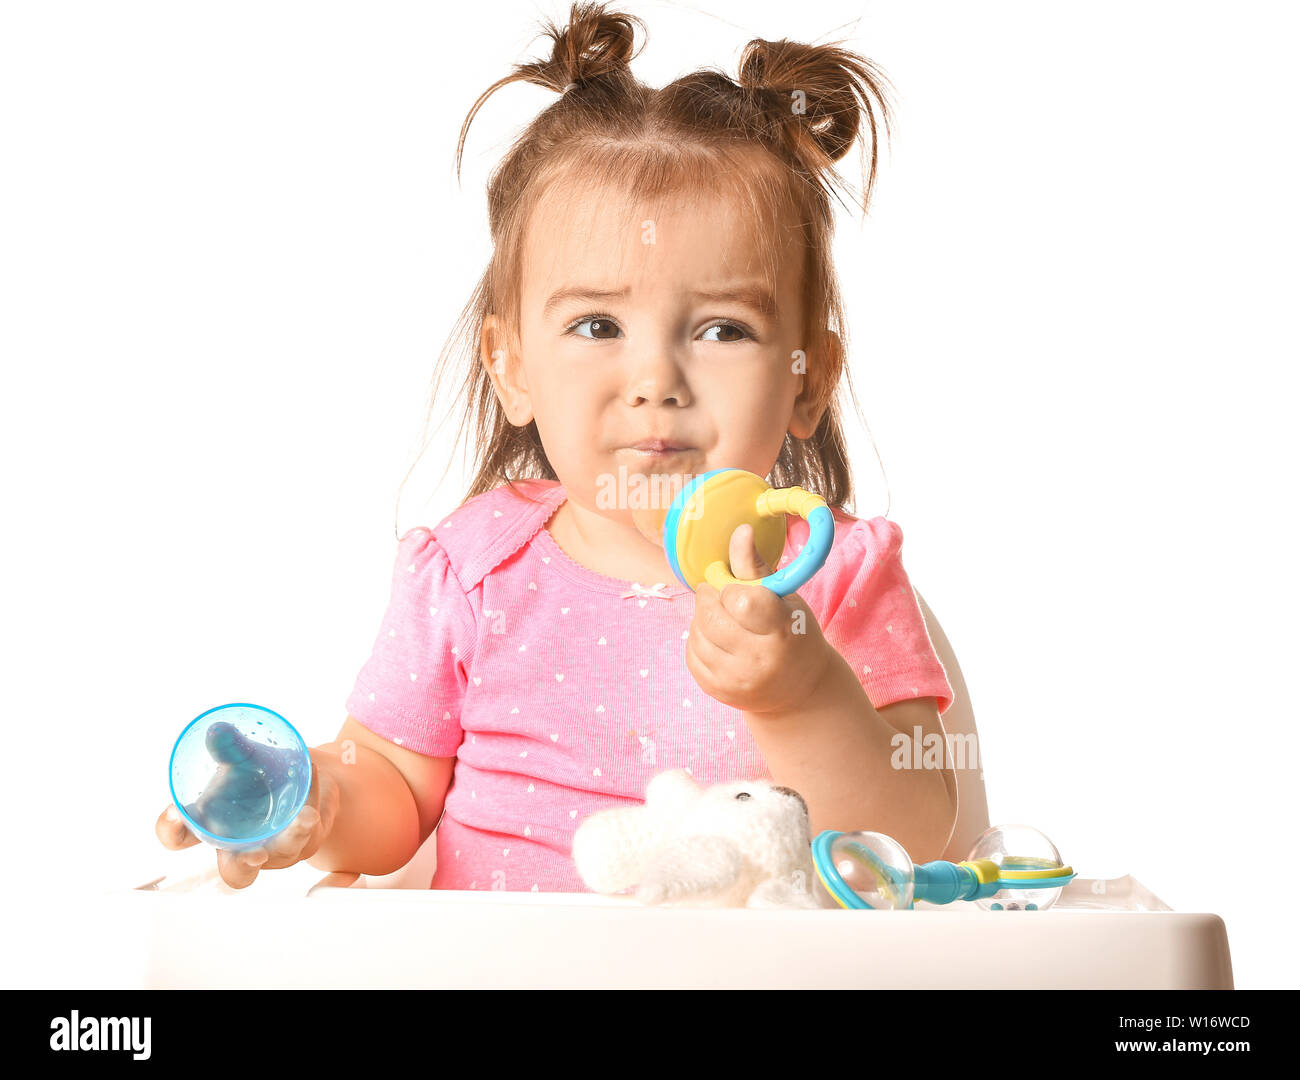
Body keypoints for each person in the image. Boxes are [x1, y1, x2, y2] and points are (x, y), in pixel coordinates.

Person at [157, 0, 957, 893]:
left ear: (808, 378)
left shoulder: (840, 574)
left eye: (725, 329)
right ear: (512, 366)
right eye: (597, 323)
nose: (656, 378)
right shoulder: (472, 571)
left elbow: (916, 835)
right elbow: (389, 783)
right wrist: (319, 806)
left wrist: (802, 693)